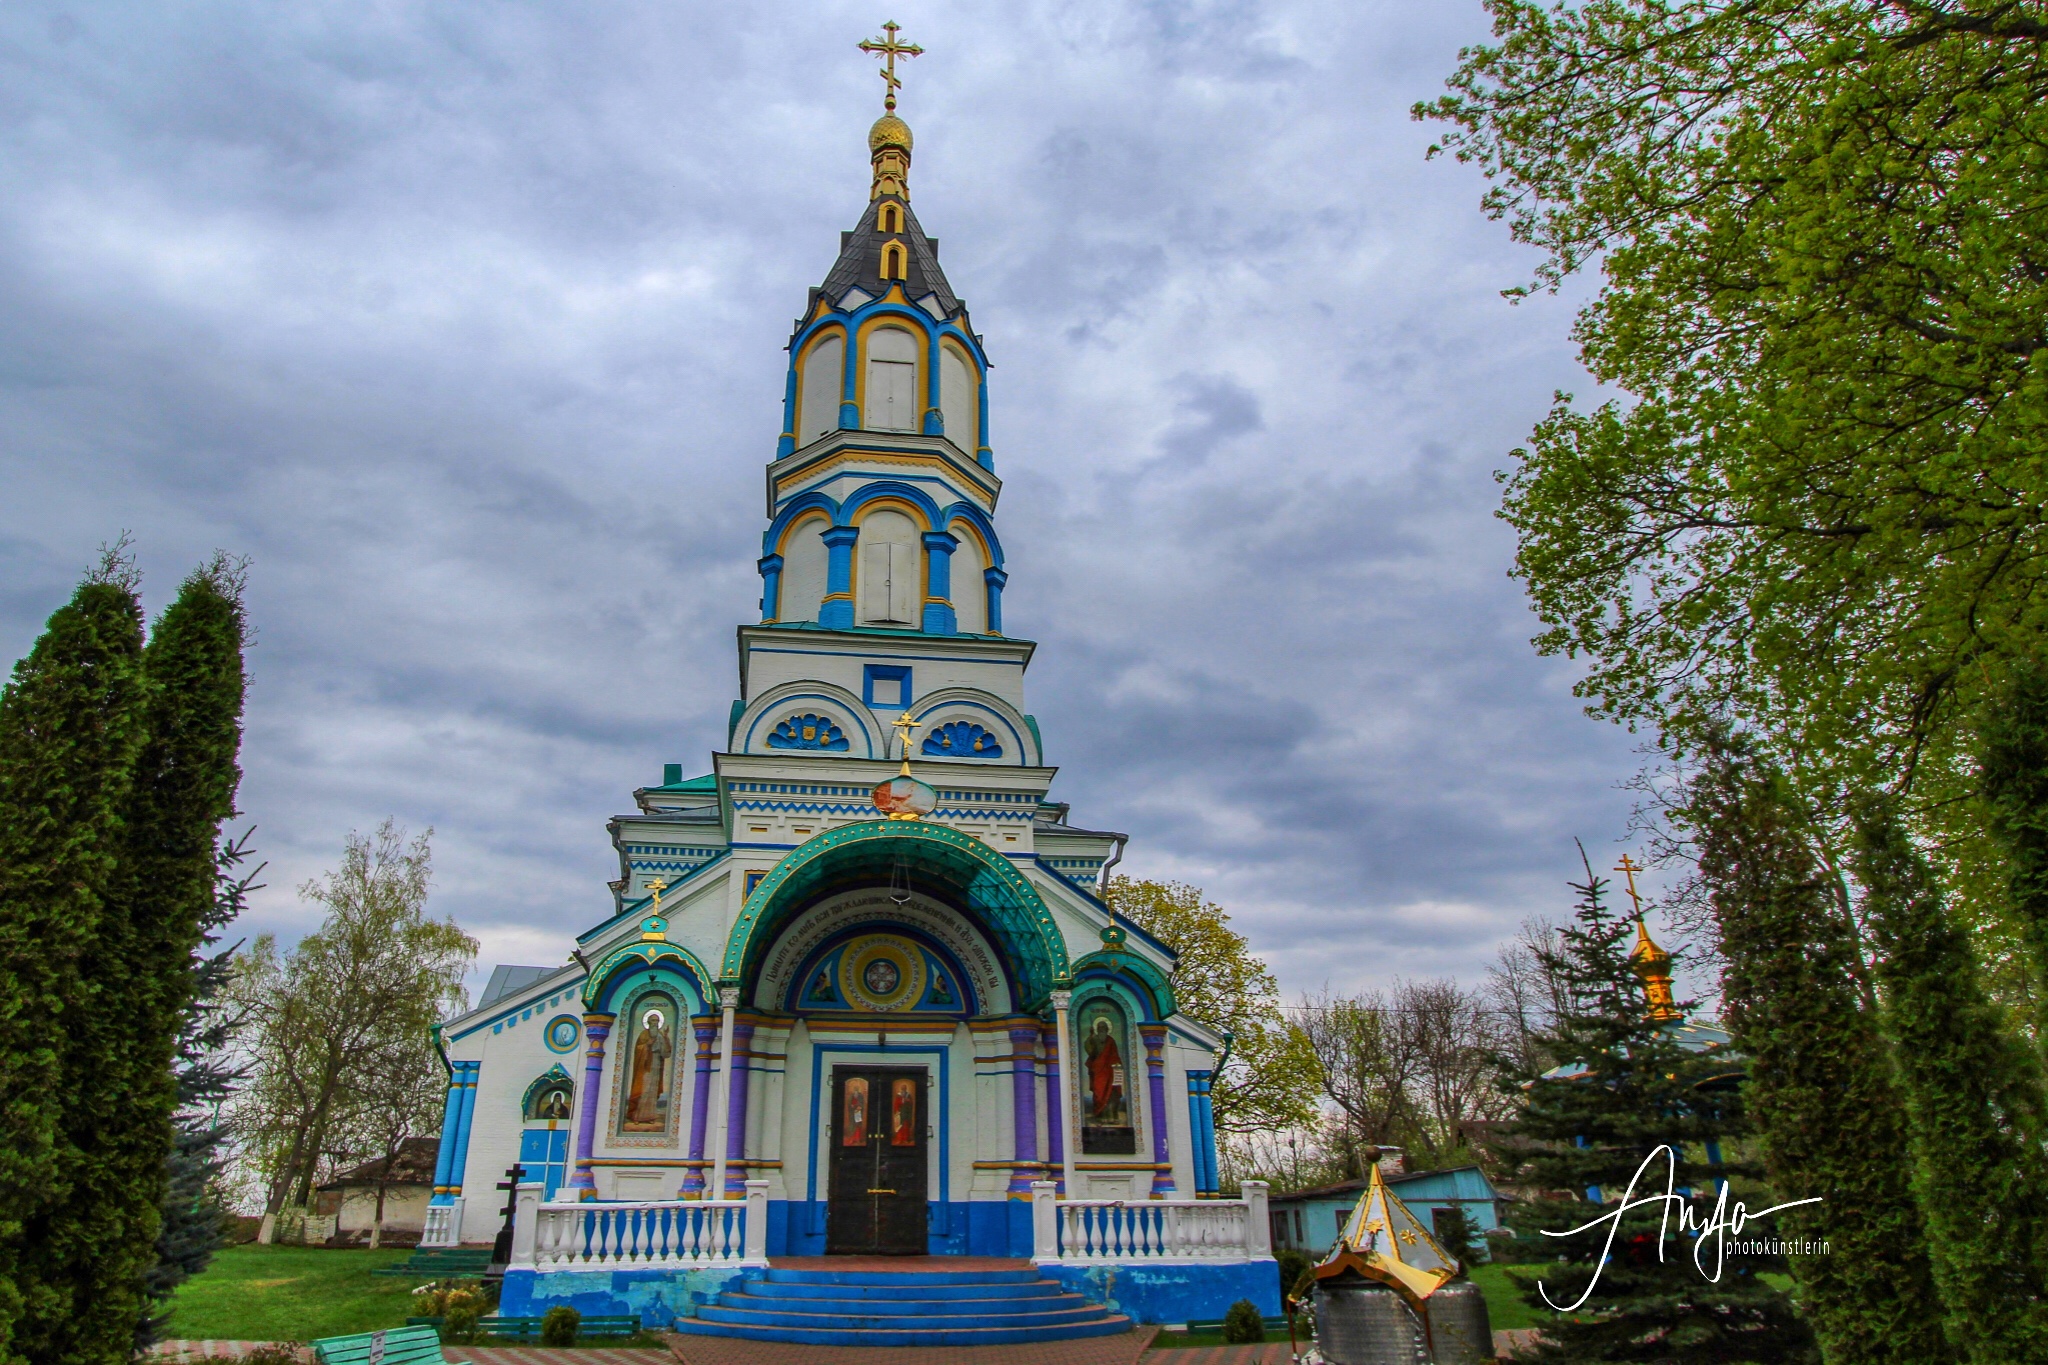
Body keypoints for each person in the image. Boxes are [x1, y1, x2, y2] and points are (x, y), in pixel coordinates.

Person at [624, 1008, 672, 1129]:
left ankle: (650, 1117)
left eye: (657, 1021)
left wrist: (666, 1038)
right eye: (653, 1021)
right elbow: (638, 1049)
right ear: (649, 1022)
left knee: (652, 1091)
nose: (655, 1023)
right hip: (645, 1067)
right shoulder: (644, 1034)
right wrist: (648, 1045)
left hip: (656, 1065)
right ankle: (637, 1116)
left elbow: (666, 1053)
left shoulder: (660, 1035)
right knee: (643, 1090)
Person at [1085, 1015, 1125, 1124]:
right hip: (1098, 1071)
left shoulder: (1111, 1041)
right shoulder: (1094, 1039)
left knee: (1112, 1095)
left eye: (1104, 1028)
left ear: (1107, 1030)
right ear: (1097, 1030)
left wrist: (1117, 1067)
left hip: (1110, 1072)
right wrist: (1090, 1038)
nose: (1102, 1030)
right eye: (1100, 1028)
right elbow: (1090, 1052)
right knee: (1099, 1093)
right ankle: (1100, 1116)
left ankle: (1112, 1116)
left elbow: (1114, 1055)